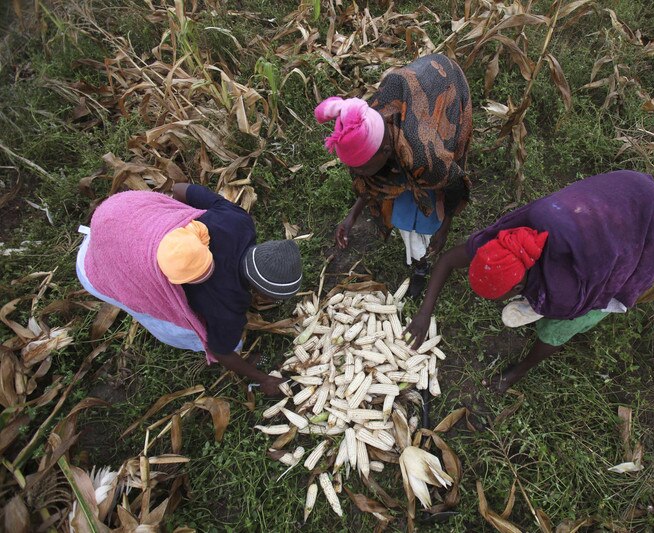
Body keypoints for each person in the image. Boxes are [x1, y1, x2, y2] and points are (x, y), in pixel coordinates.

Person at [405, 170, 654, 393]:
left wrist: (538, 307)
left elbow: (570, 311)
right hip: (618, 194)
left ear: (517, 288)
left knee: (557, 328)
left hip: (640, 218)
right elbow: (447, 260)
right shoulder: (507, 239)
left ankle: (520, 370)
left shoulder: (566, 291)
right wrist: (423, 313)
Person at [75, 183, 302, 397]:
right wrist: (262, 379)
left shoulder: (238, 221)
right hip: (100, 268)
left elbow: (180, 189)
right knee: (178, 325)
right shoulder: (228, 306)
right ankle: (194, 340)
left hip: (117, 218)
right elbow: (221, 350)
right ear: (260, 292)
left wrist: (172, 226)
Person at [315, 53, 472, 297]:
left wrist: (446, 228)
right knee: (404, 215)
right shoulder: (365, 120)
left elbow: (454, 184)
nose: (357, 173)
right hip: (413, 93)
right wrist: (351, 217)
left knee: (430, 216)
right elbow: (369, 181)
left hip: (446, 82)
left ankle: (421, 265)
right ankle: (419, 263)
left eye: (362, 168)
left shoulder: (426, 157)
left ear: (386, 151)